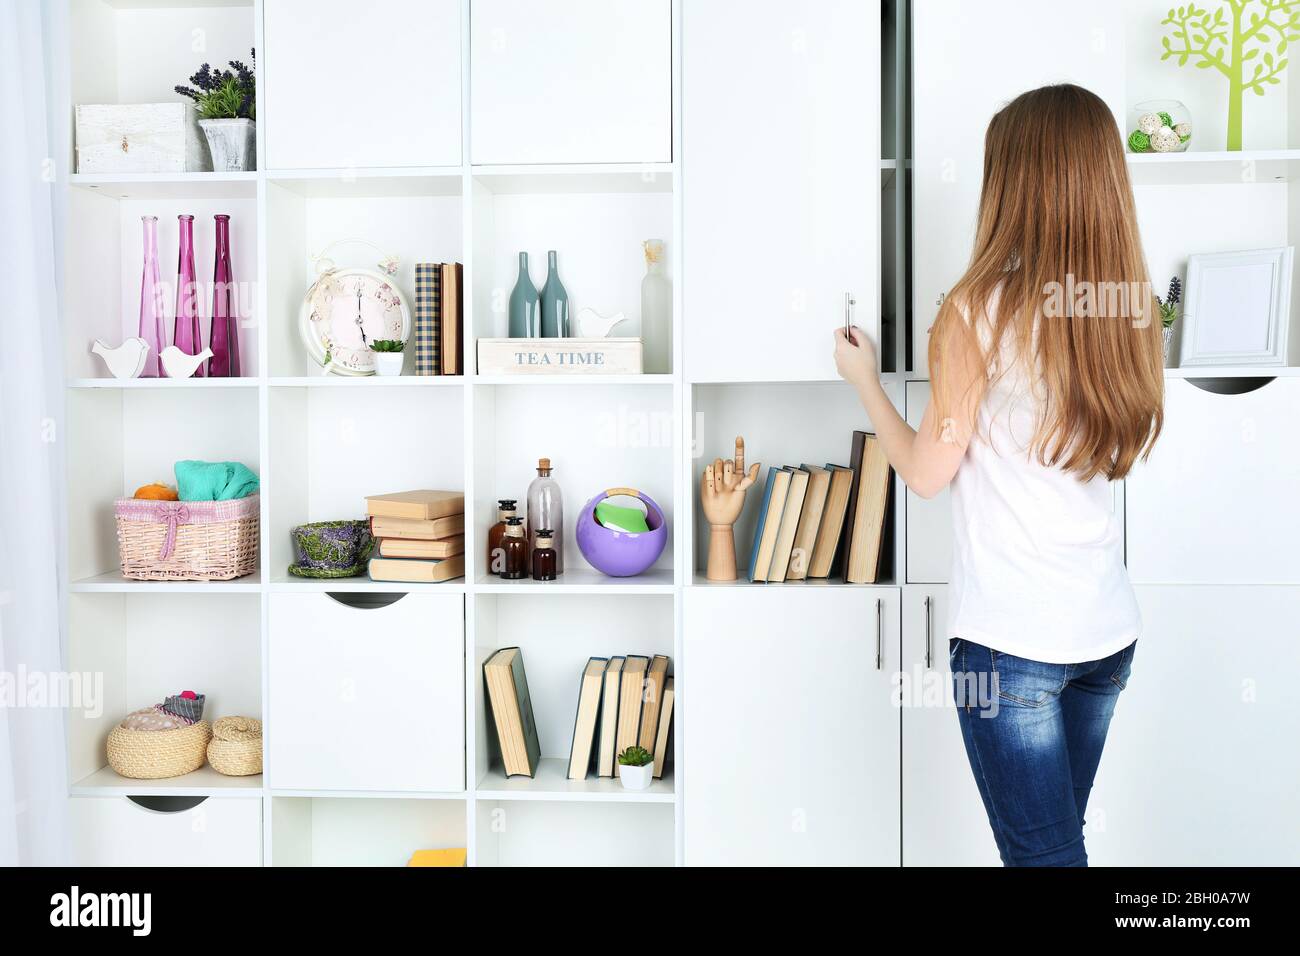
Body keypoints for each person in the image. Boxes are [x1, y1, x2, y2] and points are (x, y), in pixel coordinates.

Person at [833, 84, 1164, 867]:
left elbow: (923, 472)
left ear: (1013, 182)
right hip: (1106, 636)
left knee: (1045, 858)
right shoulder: (1127, 311)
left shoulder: (974, 310)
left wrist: (866, 384)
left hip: (1013, 645)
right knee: (1055, 848)